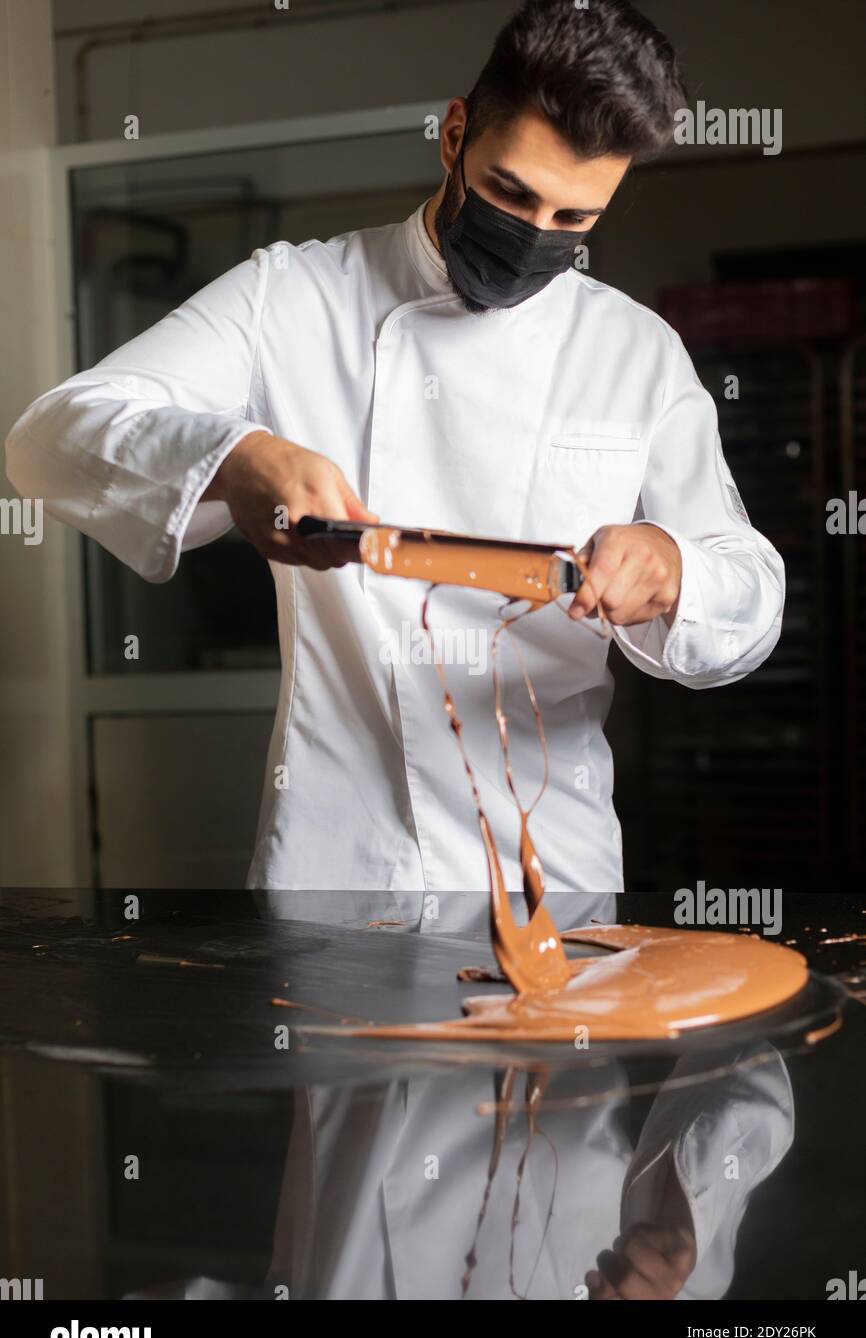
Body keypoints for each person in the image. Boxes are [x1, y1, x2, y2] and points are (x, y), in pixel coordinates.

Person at [5, 0, 784, 892]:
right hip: (338, 859)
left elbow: (752, 595)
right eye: (510, 192)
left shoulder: (635, 352)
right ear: (454, 133)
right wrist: (237, 455)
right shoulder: (291, 297)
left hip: (552, 871)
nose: (535, 234)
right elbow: (49, 439)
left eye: (574, 220)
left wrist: (676, 567)